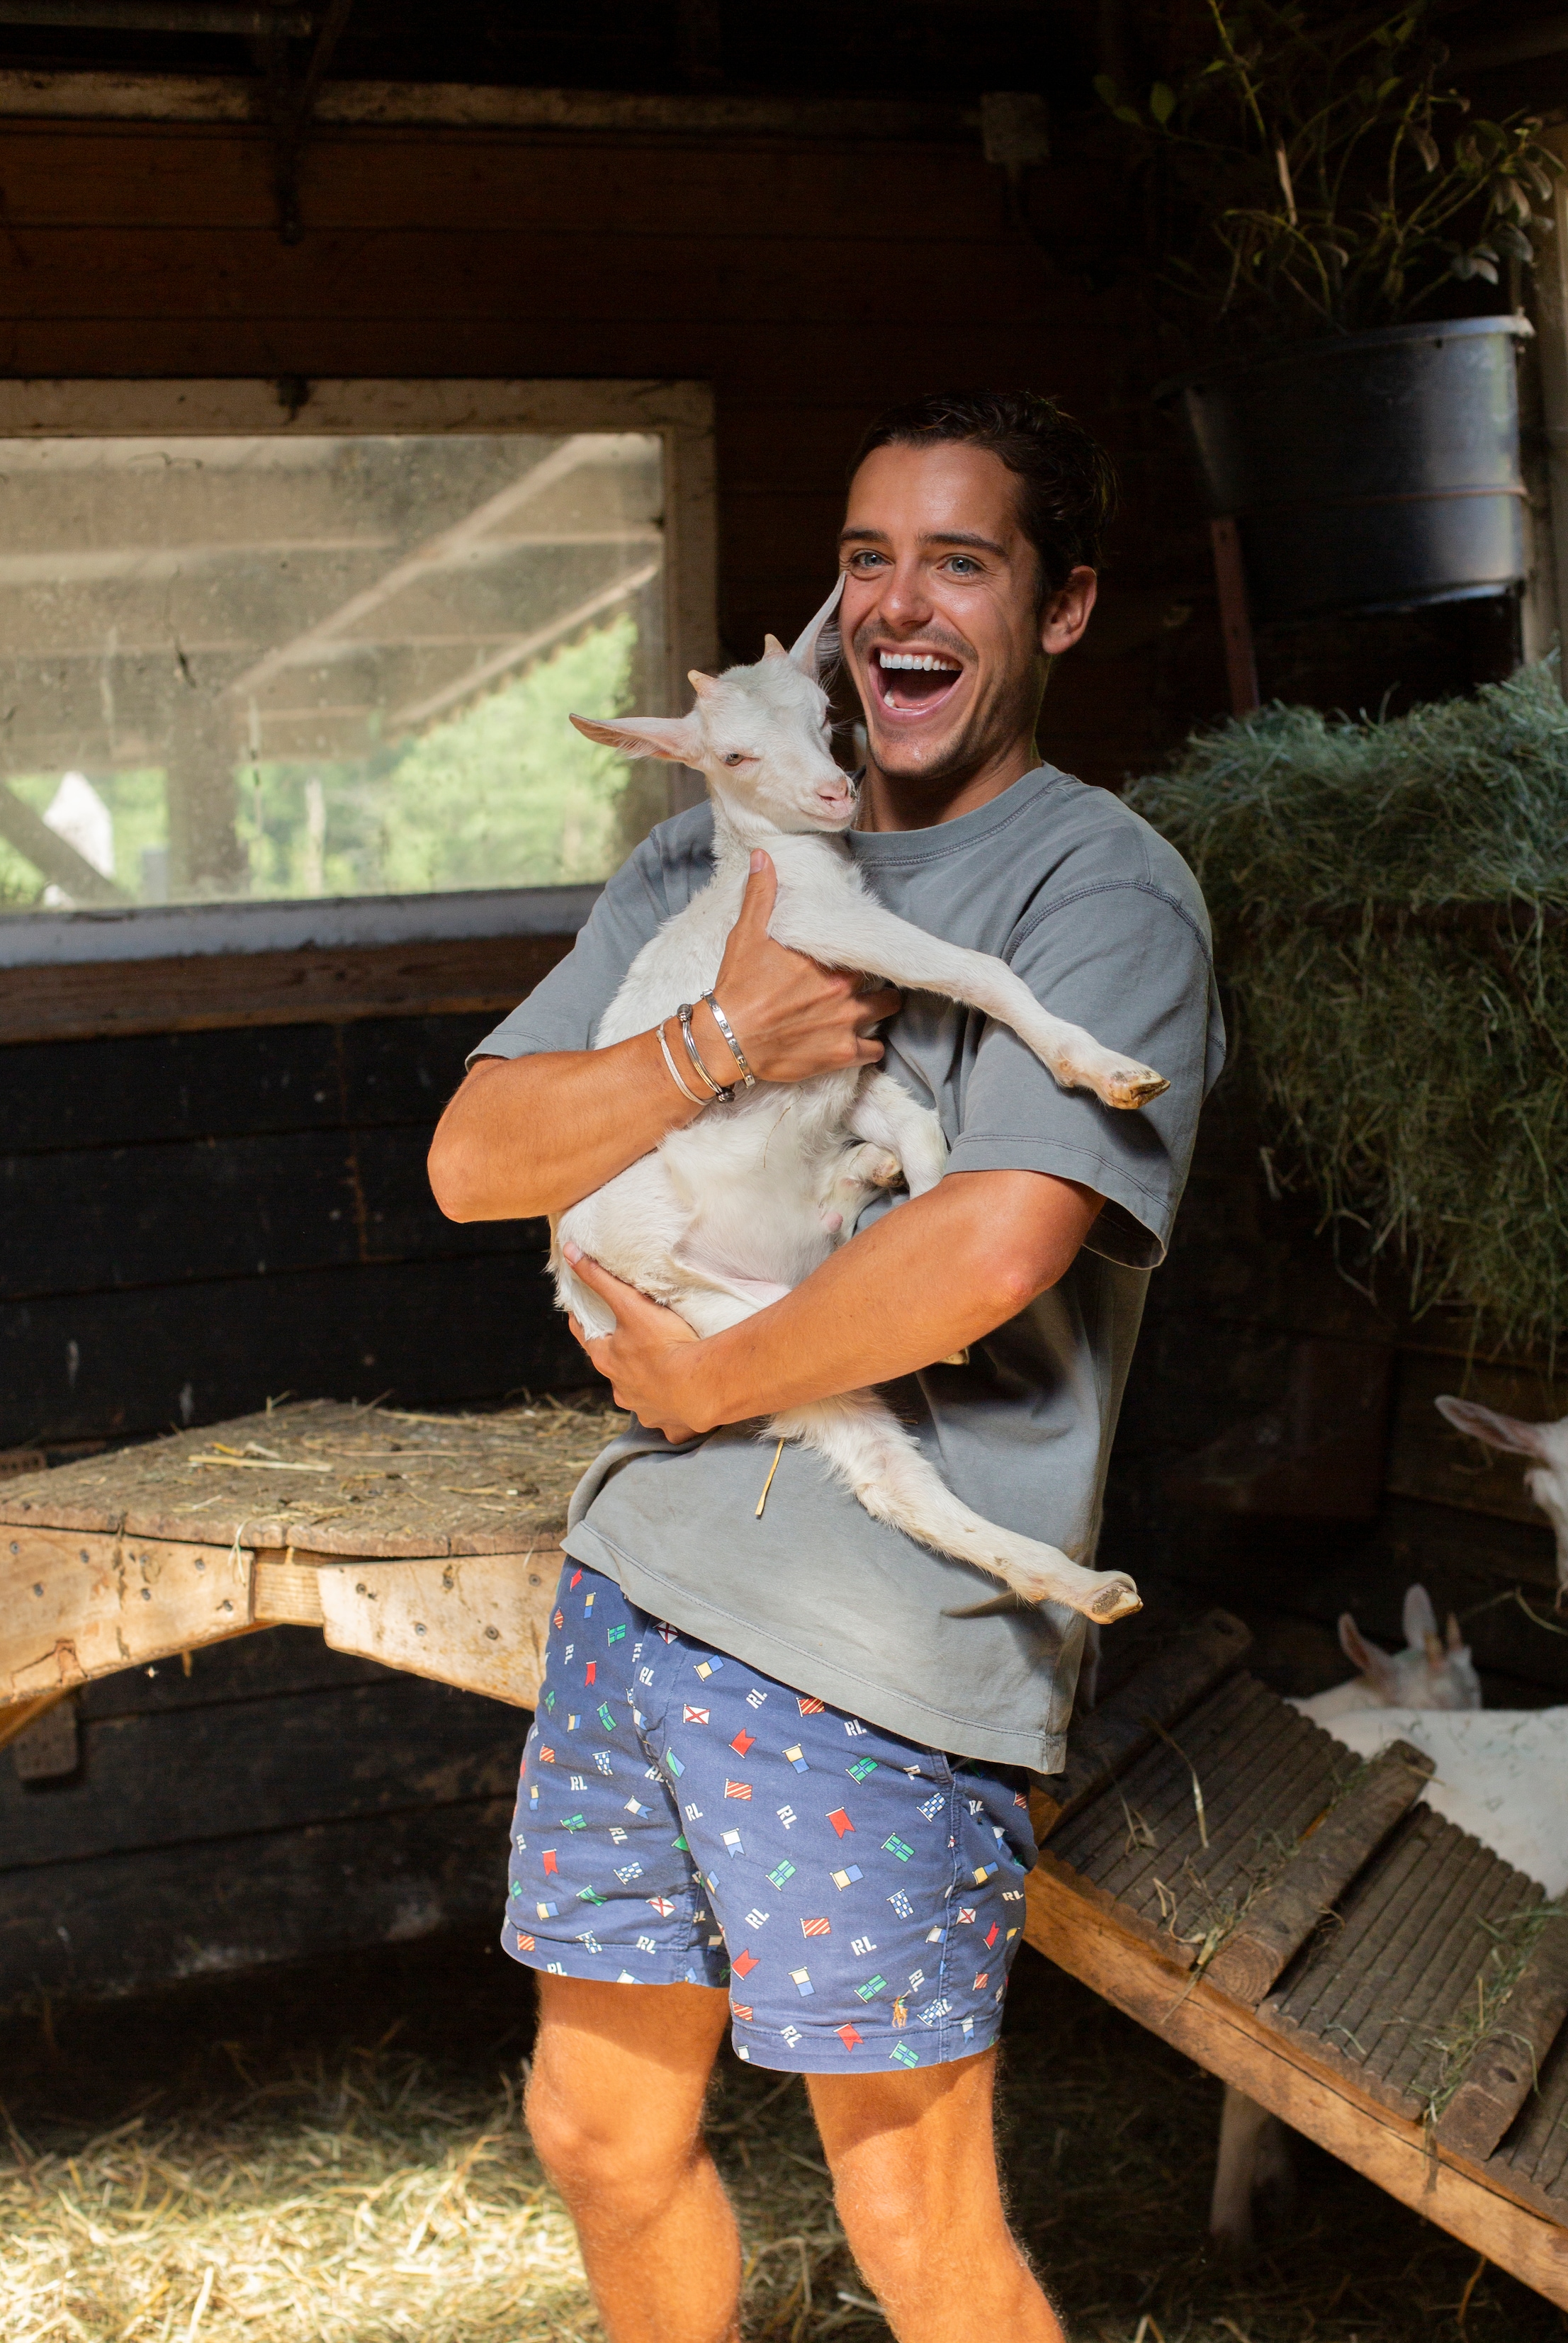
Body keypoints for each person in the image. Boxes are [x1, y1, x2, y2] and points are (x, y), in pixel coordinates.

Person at [428, 389, 1225, 2343]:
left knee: (910, 2219)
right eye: (870, 558)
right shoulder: (695, 858)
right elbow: (476, 1158)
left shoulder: (1099, 888)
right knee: (597, 2130)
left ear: (1061, 607)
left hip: (873, 1632)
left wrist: (710, 1381)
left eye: (962, 560)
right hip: (637, 1578)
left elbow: (998, 1242)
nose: (901, 601)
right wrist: (714, 1041)